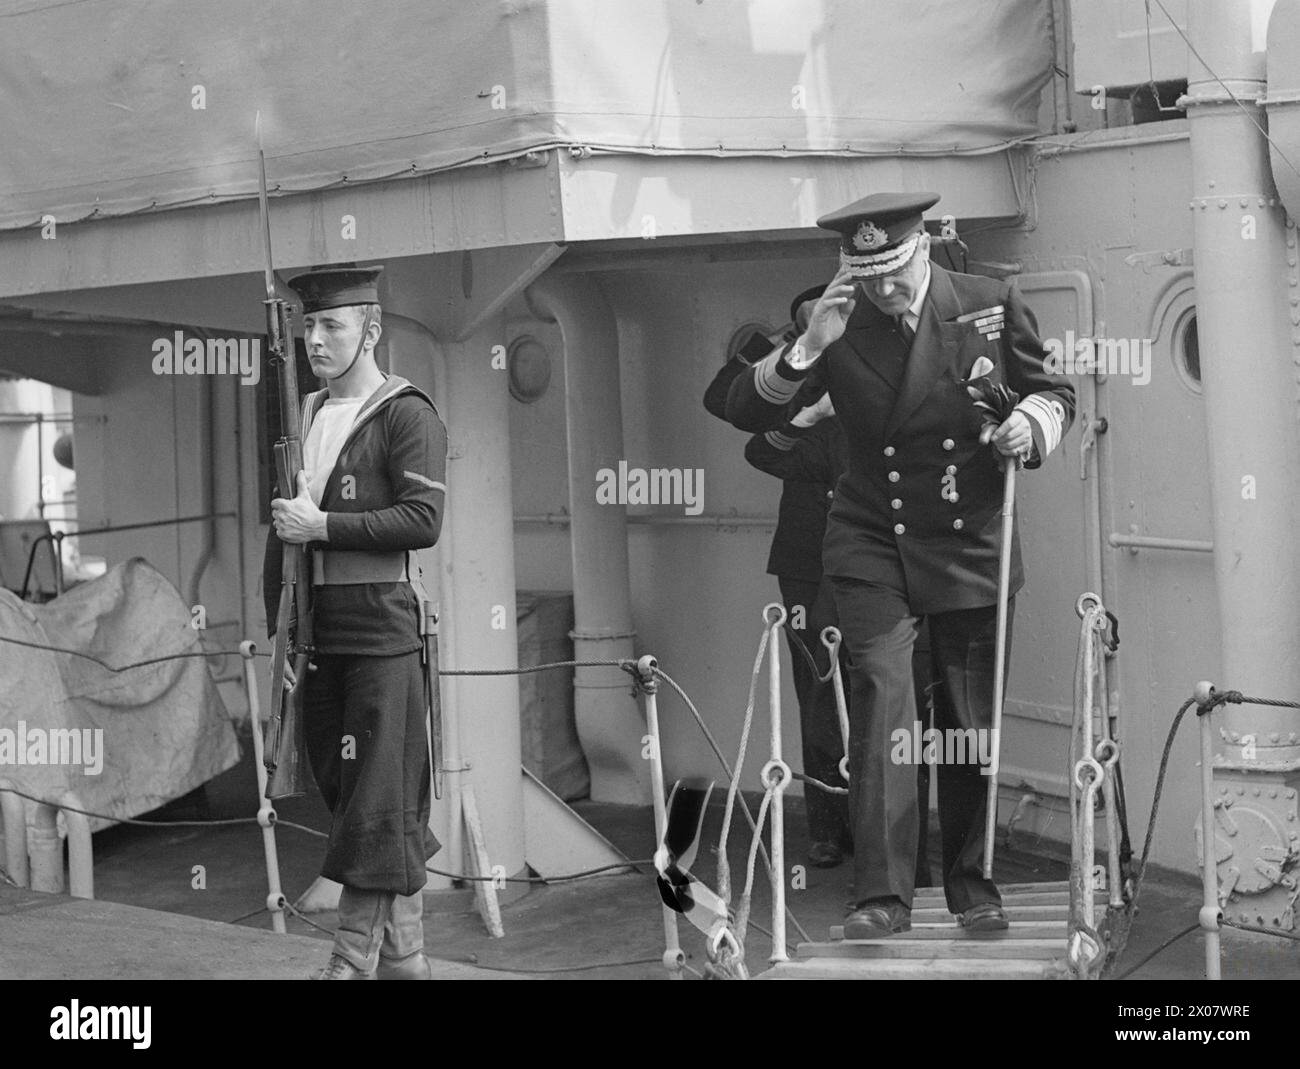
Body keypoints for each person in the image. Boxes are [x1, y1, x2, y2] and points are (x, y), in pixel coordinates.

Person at [726, 193, 1074, 938]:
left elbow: (1055, 393)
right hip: (870, 537)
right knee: (884, 701)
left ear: (921, 250)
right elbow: (741, 410)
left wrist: (1028, 424)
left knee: (967, 720)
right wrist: (807, 347)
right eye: (867, 275)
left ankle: (972, 884)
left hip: (969, 533)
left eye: (892, 271)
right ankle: (880, 894)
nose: (883, 289)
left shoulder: (988, 304)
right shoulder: (836, 319)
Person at [262, 264, 448, 979]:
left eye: (330, 324)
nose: (315, 338)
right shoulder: (305, 415)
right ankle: (406, 957)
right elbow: (280, 530)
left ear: (370, 328)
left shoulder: (407, 413)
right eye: (308, 325)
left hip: (379, 628)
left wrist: (323, 524)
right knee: (355, 798)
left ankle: (350, 960)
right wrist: (279, 624)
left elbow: (422, 520)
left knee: (374, 798)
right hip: (316, 630)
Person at [703, 290, 853, 868]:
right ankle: (827, 829)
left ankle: (879, 831)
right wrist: (788, 339)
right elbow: (724, 401)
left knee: (881, 698)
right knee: (816, 693)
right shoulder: (792, 364)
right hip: (806, 558)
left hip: (874, 555)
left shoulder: (867, 361)